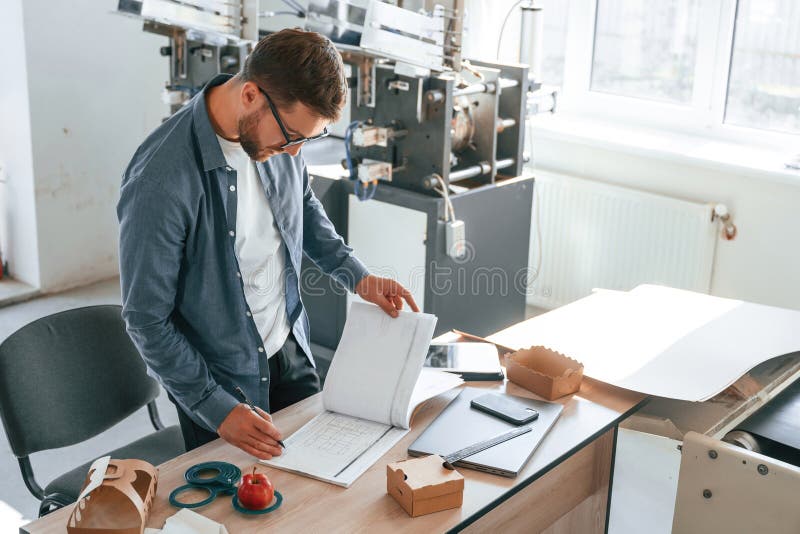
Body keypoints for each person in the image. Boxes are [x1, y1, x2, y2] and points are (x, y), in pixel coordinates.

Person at [117, 29, 418, 460]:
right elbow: (147, 320)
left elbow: (303, 208)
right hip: (219, 381)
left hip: (288, 345)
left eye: (307, 141)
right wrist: (216, 408)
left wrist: (358, 277)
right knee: (242, 520)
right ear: (251, 96)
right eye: (293, 136)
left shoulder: (275, 142)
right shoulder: (161, 181)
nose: (295, 154)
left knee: (319, 487)